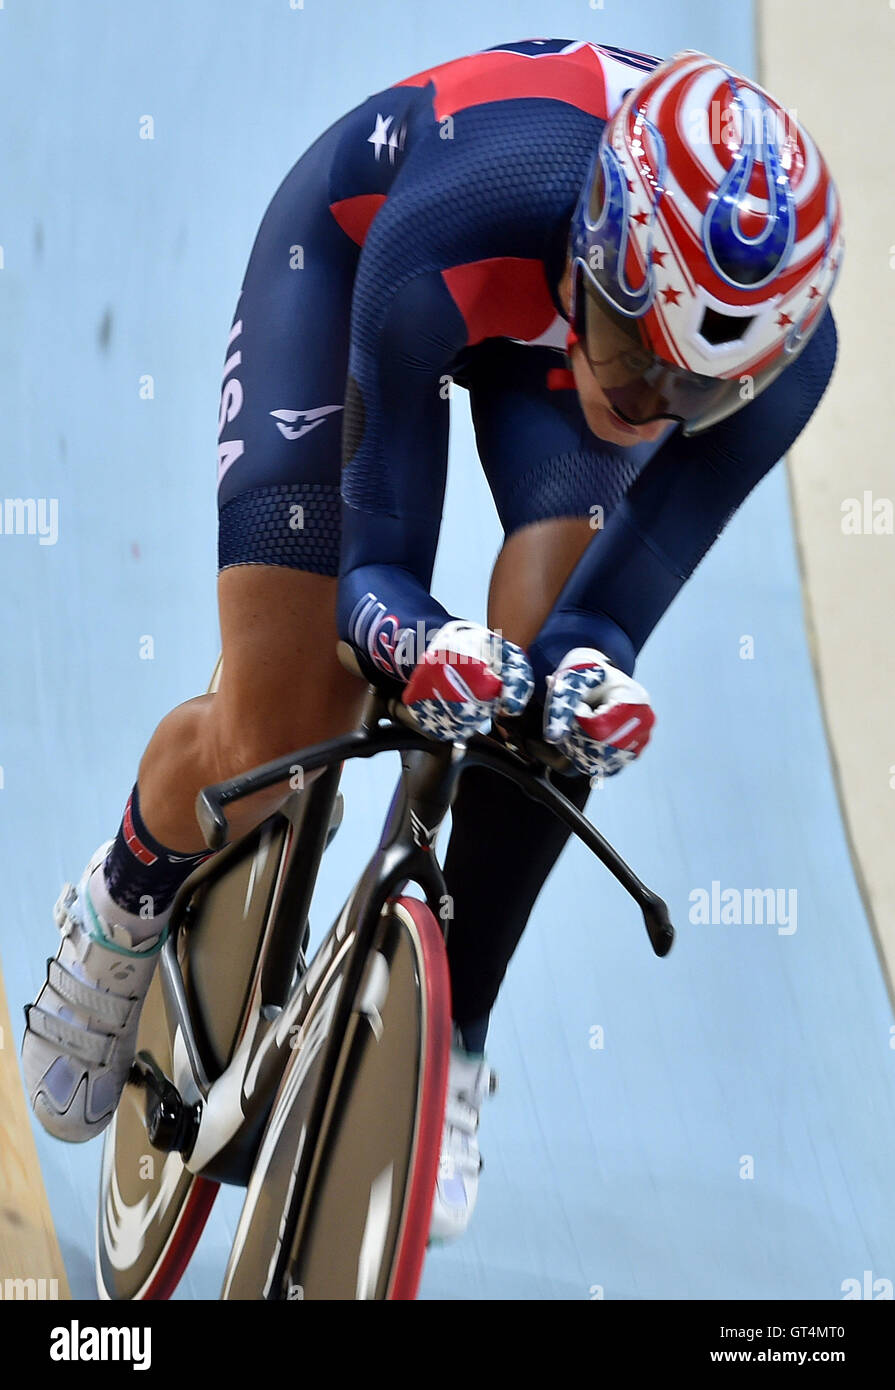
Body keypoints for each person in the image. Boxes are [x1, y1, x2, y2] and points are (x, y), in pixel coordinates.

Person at [23, 38, 842, 1244]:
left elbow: (607, 618)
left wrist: (568, 679)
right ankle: (123, 891)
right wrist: (411, 641)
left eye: (691, 398)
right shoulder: (466, 203)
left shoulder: (770, 357)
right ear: (603, 238)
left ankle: (454, 1025)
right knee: (293, 721)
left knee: (558, 698)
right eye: (638, 360)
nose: (649, 407)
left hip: (553, 329)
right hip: (366, 255)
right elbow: (378, 573)